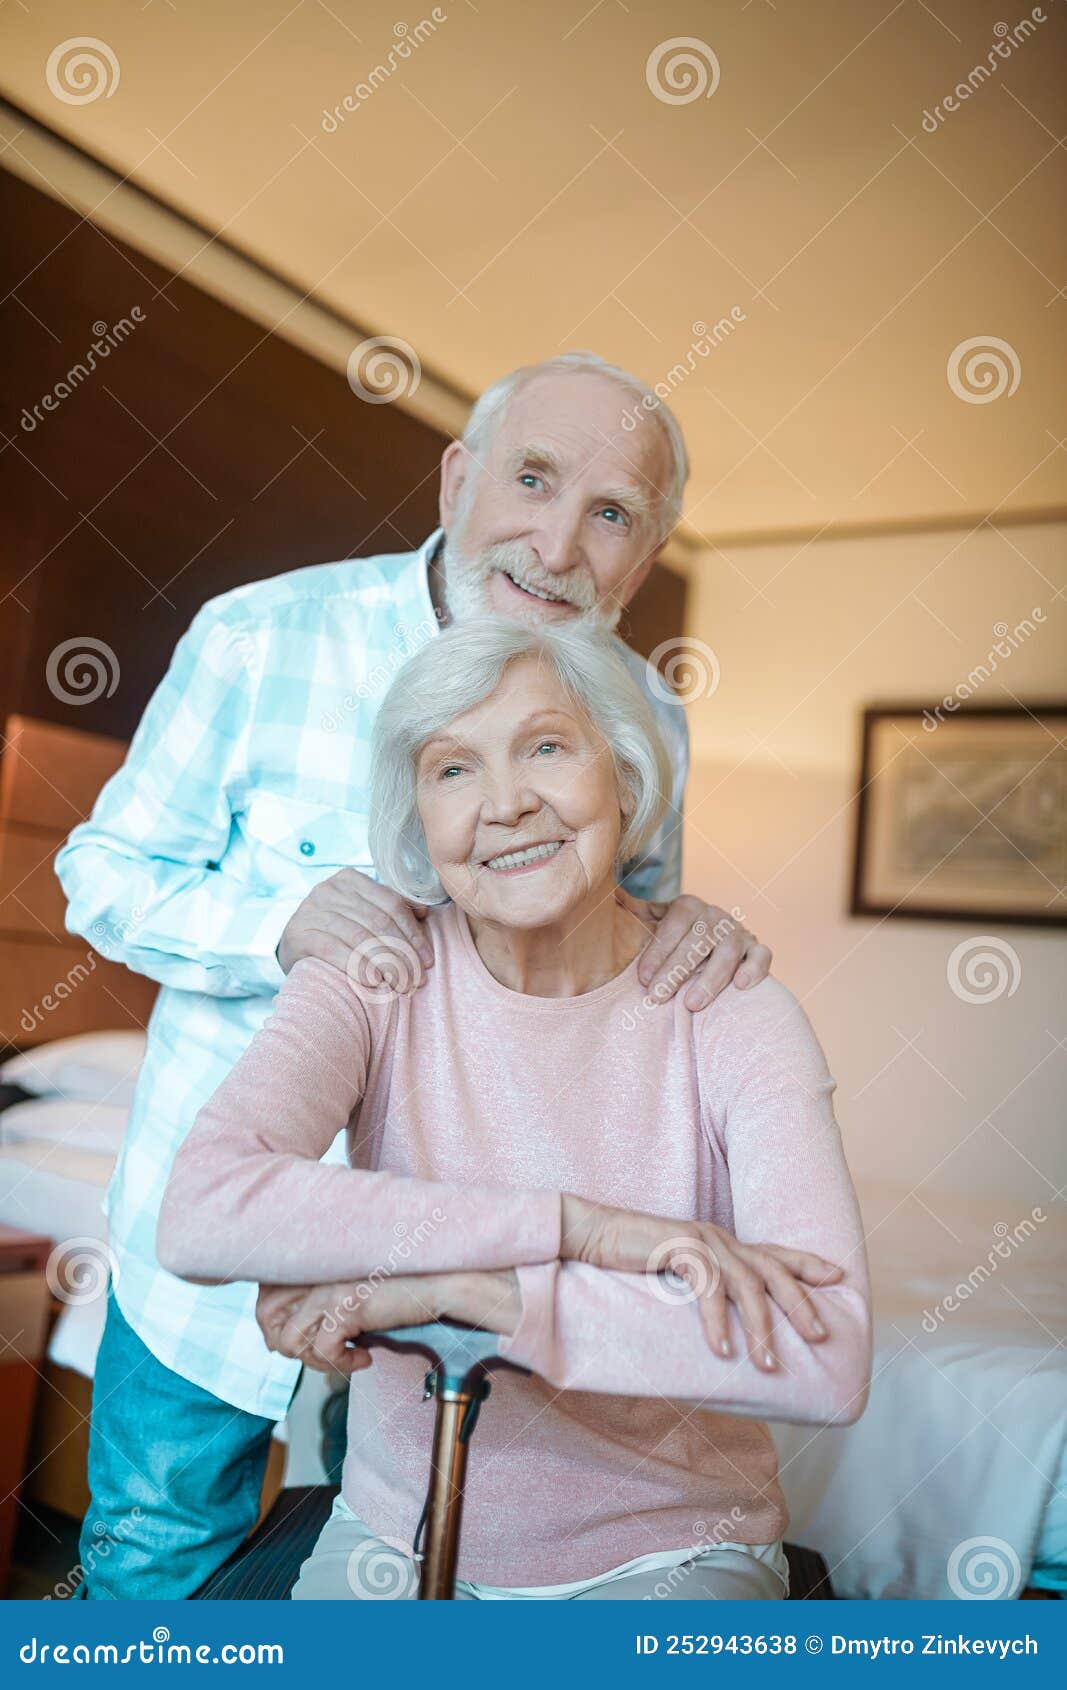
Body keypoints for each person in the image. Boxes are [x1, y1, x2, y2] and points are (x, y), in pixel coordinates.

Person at [56, 352, 774, 1598]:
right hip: (210, 1277)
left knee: (389, 1584)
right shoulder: (256, 638)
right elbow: (100, 874)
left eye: (609, 512)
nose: (556, 542)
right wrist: (277, 918)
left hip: (443, 1268)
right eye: (532, 479)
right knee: (154, 1587)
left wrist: (684, 927)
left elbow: (614, 964)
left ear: (643, 553)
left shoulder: (648, 723)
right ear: (456, 480)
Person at [157, 616, 872, 1602]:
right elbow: (203, 1205)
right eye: (452, 769)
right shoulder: (375, 976)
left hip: (668, 1547)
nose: (503, 802)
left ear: (620, 779)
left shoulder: (733, 1010)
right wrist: (579, 1230)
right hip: (391, 1530)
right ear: (416, 817)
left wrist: (468, 1291)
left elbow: (822, 1350)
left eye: (545, 746)